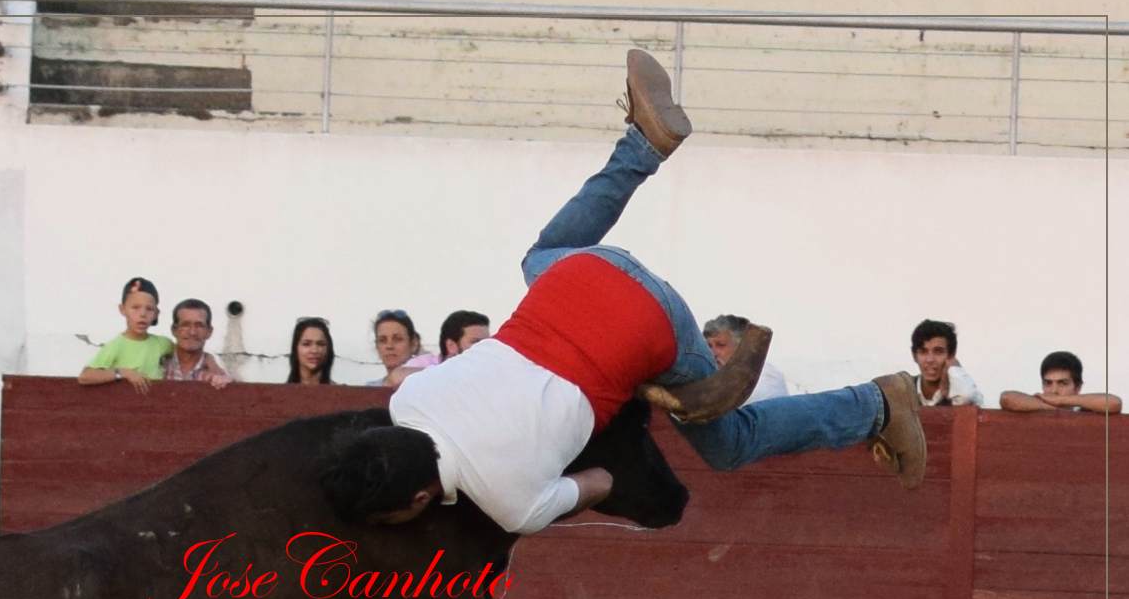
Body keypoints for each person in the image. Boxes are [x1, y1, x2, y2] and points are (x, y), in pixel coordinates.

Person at [319, 50, 927, 535]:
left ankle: (876, 405)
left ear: (418, 499)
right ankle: (642, 145)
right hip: (589, 270)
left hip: (653, 326)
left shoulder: (511, 506)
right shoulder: (412, 395)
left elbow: (604, 481)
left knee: (729, 442)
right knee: (538, 257)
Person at [77, 277, 173, 394]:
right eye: (135, 307)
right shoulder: (117, 345)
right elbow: (85, 376)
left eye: (149, 309)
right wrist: (122, 373)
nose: (142, 314)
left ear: (156, 314)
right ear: (122, 309)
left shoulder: (164, 344)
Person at [1000, 351, 1121, 414]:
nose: (1054, 390)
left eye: (1062, 383)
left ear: (1078, 387)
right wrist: (1053, 409)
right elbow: (1006, 398)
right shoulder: (1032, 406)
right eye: (1048, 383)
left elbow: (1114, 403)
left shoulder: (1087, 413)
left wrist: (1060, 400)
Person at [703, 313, 789, 402]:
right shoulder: (712, 375)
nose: (712, 353)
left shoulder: (767, 378)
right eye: (709, 346)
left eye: (720, 345)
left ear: (741, 346)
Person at [910, 319, 983, 406]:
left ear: (951, 354)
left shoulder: (960, 388)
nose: (930, 360)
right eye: (923, 352)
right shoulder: (904, 387)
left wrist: (954, 367)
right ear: (914, 356)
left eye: (938, 352)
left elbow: (967, 397)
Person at [162, 299, 232, 389]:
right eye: (185, 325)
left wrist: (226, 384)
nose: (192, 332)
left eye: (199, 325)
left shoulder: (217, 376)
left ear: (209, 332)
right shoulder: (159, 364)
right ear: (174, 330)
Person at [374, 309, 425, 386]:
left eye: (397, 339)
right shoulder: (367, 389)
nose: (389, 346)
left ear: (414, 344)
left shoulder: (429, 383)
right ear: (377, 346)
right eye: (382, 340)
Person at [286, 317, 336, 385]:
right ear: (295, 348)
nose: (314, 350)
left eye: (321, 344)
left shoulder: (340, 390)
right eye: (306, 344)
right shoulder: (280, 391)